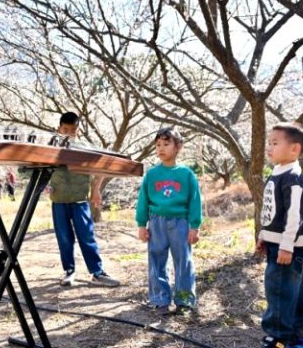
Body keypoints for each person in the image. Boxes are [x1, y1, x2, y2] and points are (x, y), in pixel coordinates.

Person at [48, 111, 120, 288]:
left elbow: (102, 167)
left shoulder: (84, 147)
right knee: (64, 238)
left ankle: (97, 272)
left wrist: (96, 190)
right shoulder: (51, 147)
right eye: (65, 130)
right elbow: (38, 168)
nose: (68, 134)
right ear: (59, 129)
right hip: (59, 200)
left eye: (72, 131)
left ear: (77, 131)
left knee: (87, 236)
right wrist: (44, 185)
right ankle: (69, 271)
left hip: (80, 200)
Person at [256, 123, 303, 348]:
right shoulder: (277, 173)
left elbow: (294, 216)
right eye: (269, 143)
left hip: (287, 247)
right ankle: (298, 335)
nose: (269, 147)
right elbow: (271, 211)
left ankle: (278, 337)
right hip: (276, 243)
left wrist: (287, 246)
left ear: (294, 149)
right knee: (293, 289)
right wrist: (264, 235)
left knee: (279, 289)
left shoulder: (294, 178)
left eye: (275, 143)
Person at [136, 128, 202, 317]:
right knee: (156, 260)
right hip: (156, 222)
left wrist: (194, 226)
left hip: (181, 222)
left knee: (184, 261)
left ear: (178, 147)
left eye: (166, 144)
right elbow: (143, 201)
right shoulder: (152, 174)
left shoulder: (186, 174)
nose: (161, 149)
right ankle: (160, 300)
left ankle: (184, 300)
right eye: (158, 145)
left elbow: (195, 201)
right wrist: (142, 225)